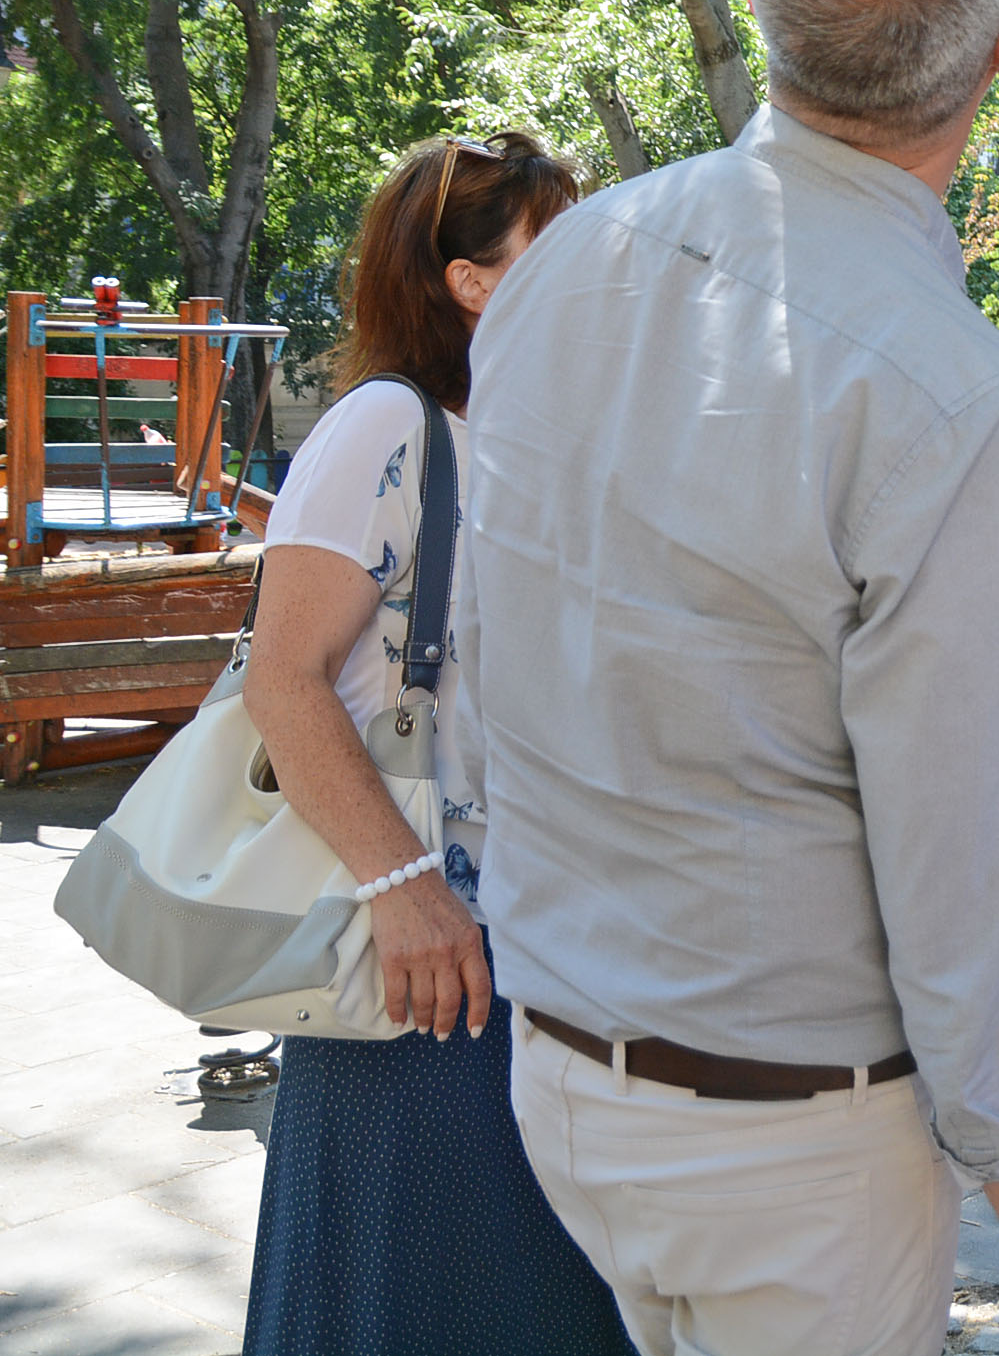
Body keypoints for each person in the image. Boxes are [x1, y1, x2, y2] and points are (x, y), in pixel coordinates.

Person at [459, 0, 999, 1356]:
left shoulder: (570, 268)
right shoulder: (951, 400)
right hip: (789, 1143)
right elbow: (982, 884)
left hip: (565, 1074)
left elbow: (500, 659)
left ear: (760, 0)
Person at [240, 131, 635, 1356]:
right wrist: (407, 893)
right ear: (473, 278)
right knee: (413, 1297)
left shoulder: (519, 434)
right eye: (552, 240)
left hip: (545, 943)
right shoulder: (382, 426)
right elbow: (284, 681)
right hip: (423, 955)